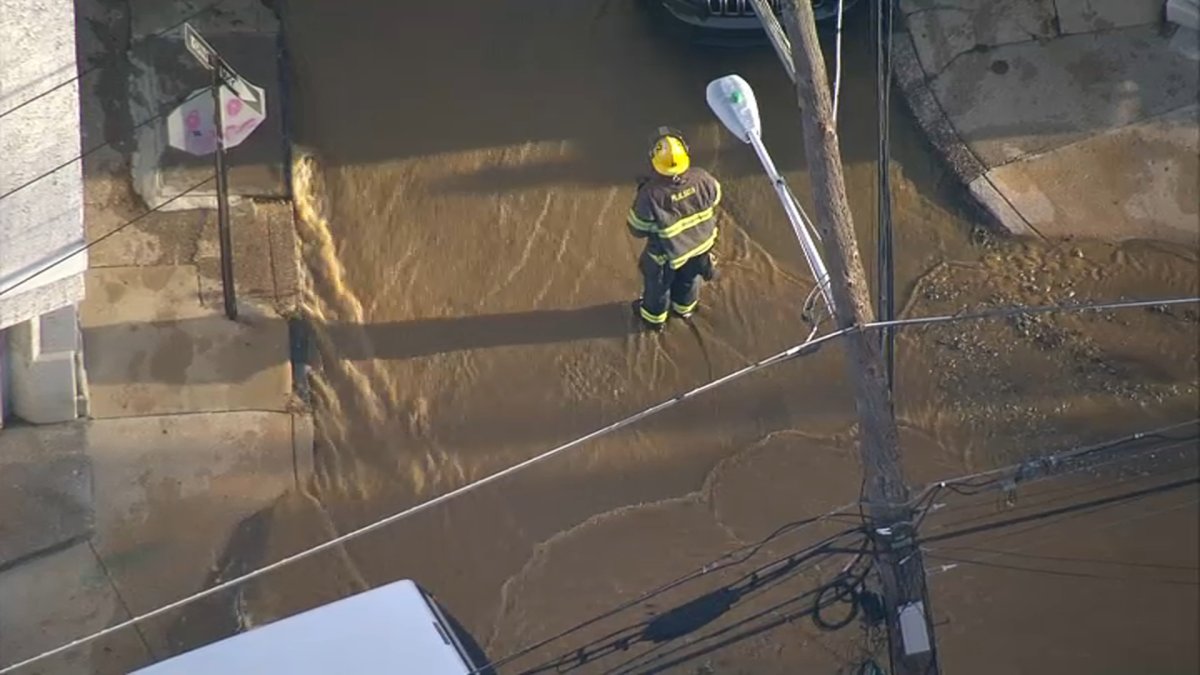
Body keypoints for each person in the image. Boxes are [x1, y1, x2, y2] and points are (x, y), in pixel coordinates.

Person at [627, 126, 722, 332]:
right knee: (689, 281)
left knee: (658, 289)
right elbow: (714, 199)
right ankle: (684, 310)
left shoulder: (650, 194)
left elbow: (637, 228)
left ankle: (654, 320)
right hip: (701, 249)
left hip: (666, 256)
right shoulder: (704, 178)